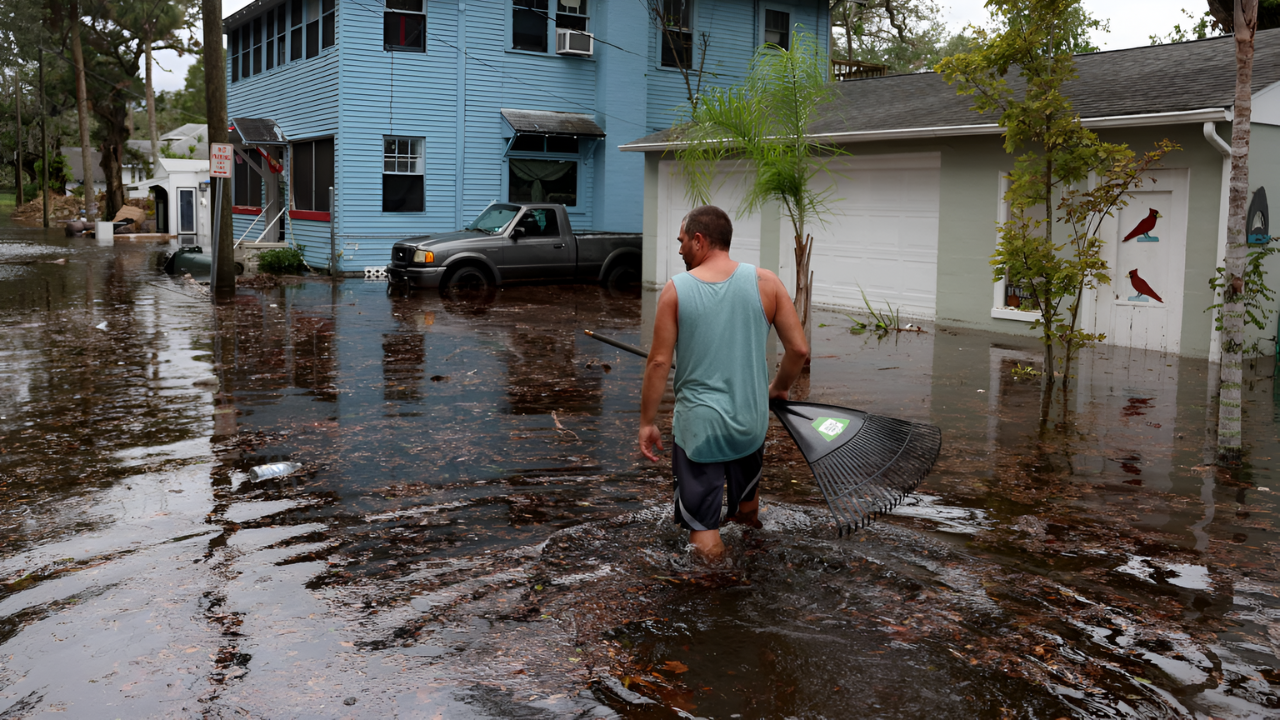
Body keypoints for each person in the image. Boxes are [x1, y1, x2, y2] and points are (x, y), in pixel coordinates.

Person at [638, 205, 809, 560]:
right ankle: (752, 568)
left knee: (703, 529)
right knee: (746, 511)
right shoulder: (767, 283)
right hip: (750, 423)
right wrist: (777, 388)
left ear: (699, 240)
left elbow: (658, 362)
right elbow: (799, 349)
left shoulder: (676, 290)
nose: (680, 249)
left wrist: (646, 422)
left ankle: (721, 593)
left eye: (682, 241)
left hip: (700, 431)